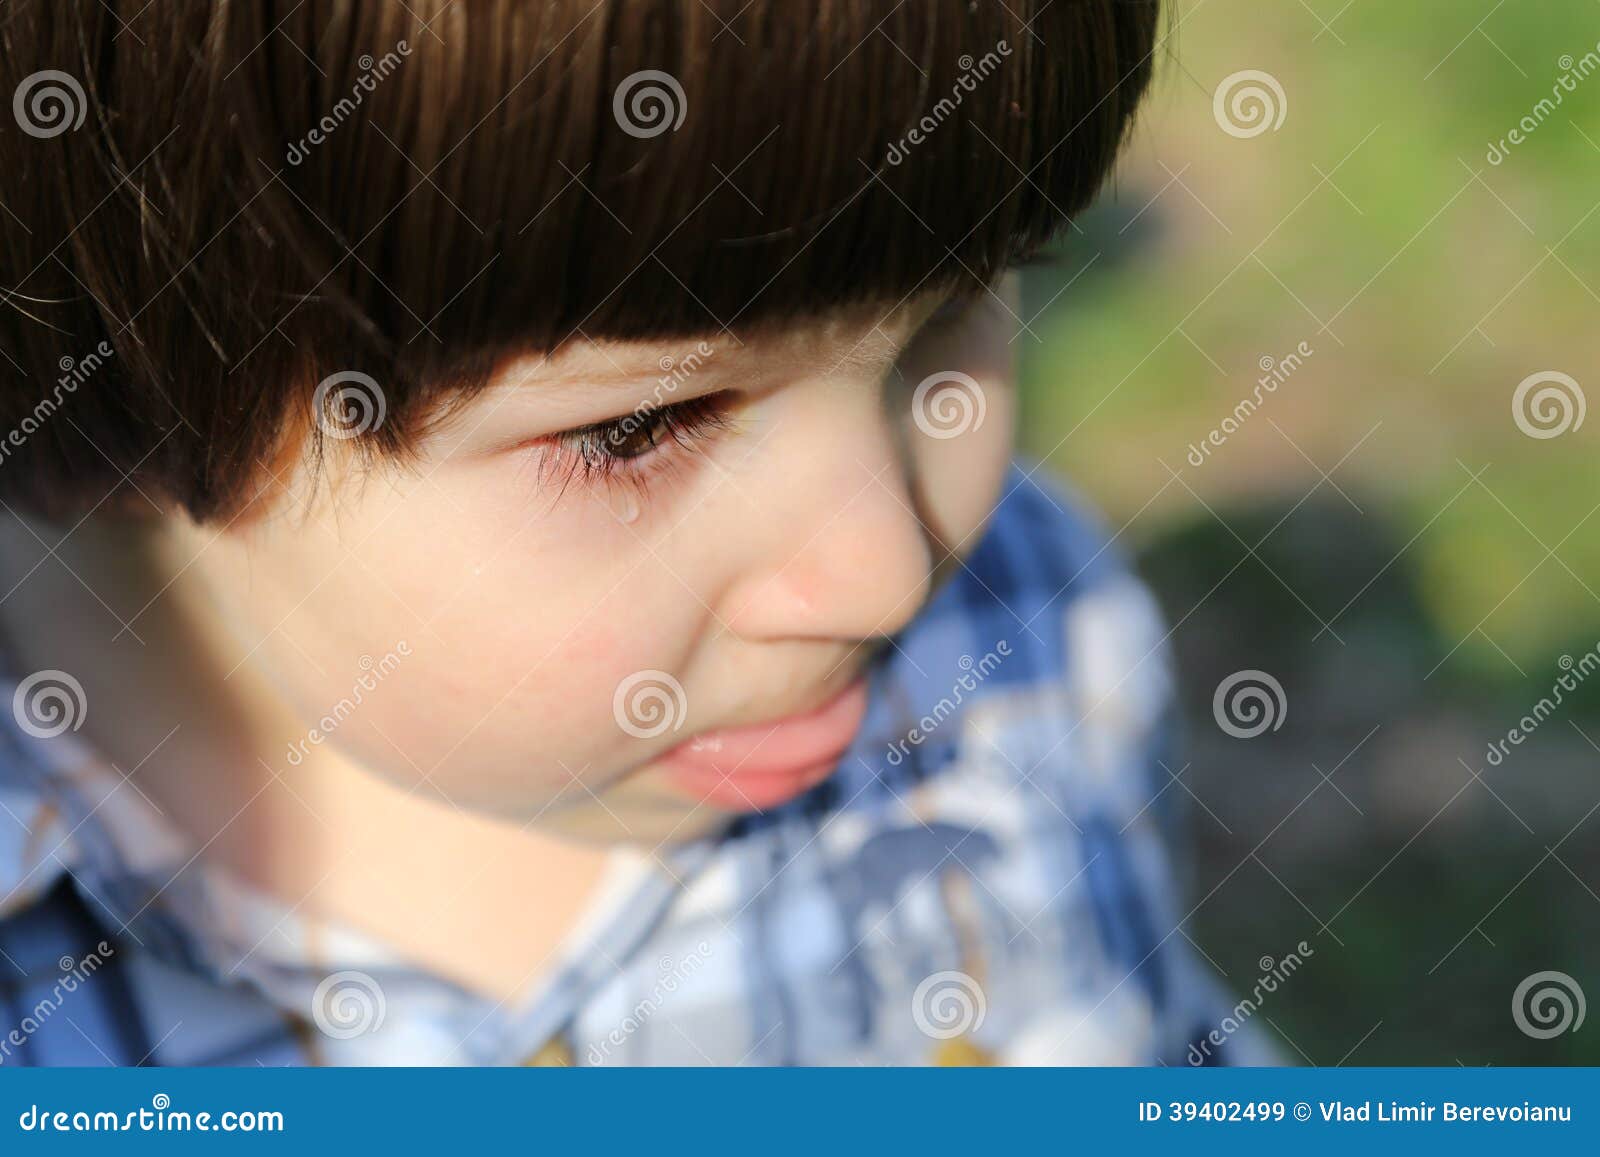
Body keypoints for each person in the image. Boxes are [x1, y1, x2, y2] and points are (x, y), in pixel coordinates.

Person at [0, 0, 1249, 1066]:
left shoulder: (1030, 640)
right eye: (634, 428)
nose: (884, 574)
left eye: (946, 313)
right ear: (122, 375)